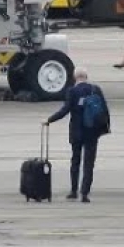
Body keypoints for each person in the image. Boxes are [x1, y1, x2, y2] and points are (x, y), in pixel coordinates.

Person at [43, 66, 110, 203]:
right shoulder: (95, 89)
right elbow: (104, 110)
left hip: (77, 131)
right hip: (92, 131)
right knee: (89, 163)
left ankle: (74, 191)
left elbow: (65, 110)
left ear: (75, 78)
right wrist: (105, 128)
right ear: (86, 77)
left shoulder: (72, 91)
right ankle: (85, 193)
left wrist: (49, 120)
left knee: (75, 161)